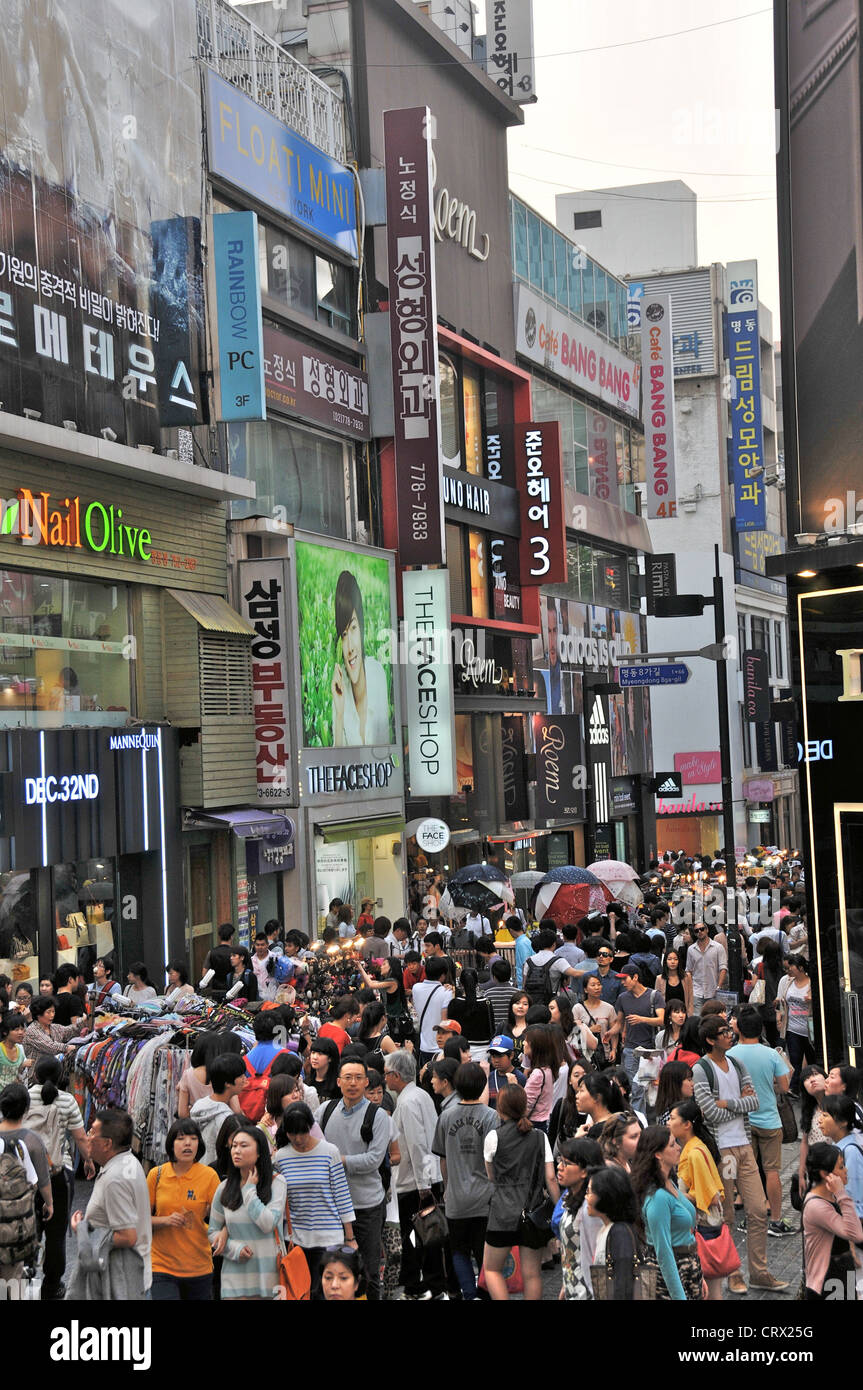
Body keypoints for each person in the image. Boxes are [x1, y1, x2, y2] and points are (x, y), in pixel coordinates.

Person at [692, 1015, 787, 1294]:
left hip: (744, 1147)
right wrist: (739, 1105)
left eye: (728, 1030)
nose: (729, 1034)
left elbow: (754, 1101)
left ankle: (759, 1271)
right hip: (724, 1153)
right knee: (728, 1215)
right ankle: (733, 1273)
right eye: (723, 1032)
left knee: (758, 1210)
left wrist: (729, 1103)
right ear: (710, 1039)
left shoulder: (737, 1063)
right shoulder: (702, 1069)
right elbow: (709, 1112)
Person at [315, 1056, 390, 1302]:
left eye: (359, 1078)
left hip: (366, 1205)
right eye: (348, 1077)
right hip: (332, 1208)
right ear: (338, 1081)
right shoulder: (324, 1112)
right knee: (333, 1273)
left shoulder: (378, 1116)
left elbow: (374, 1161)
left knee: (367, 1272)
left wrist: (337, 1160)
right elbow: (313, 1149)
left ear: (367, 1082)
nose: (353, 1083)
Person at [481, 1081, 559, 1300]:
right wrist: (560, 1209)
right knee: (532, 1274)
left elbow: (491, 1176)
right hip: (532, 1214)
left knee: (492, 1269)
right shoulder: (539, 1137)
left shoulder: (493, 1137)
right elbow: (551, 1178)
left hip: (502, 1214)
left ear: (500, 1108)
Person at [25, 1057, 92, 1300]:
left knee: (28, 1228)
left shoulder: (24, 1097)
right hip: (58, 1173)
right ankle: (52, 1287)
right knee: (56, 1233)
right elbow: (81, 1138)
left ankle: (24, 1277)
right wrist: (88, 1161)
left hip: (27, 1174)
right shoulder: (67, 1100)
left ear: (35, 1076)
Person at [273, 1102, 356, 1295]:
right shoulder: (281, 1158)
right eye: (293, 1133)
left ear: (310, 1127)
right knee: (299, 1291)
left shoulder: (329, 1152)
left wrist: (349, 1237)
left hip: (328, 1237)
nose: (298, 1138)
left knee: (325, 1292)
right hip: (295, 1238)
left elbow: (341, 1194)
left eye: (302, 1132)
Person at [432, 1061, 498, 1301]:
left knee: (458, 1249)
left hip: (456, 1197)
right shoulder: (491, 1117)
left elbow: (442, 1159)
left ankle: (468, 1294)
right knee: (484, 1252)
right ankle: (485, 1293)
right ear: (482, 1085)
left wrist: (448, 1187)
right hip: (485, 1197)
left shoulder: (446, 1117)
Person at [383, 1048, 446, 1300]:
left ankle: (418, 1286)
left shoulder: (408, 1103)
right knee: (427, 1234)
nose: (385, 1079)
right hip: (425, 1177)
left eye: (387, 1074)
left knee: (417, 1236)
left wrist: (422, 1183)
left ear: (396, 1075)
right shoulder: (420, 1095)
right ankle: (431, 1284)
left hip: (414, 1181)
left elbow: (418, 1144)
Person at [69, 1109, 152, 1299]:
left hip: (120, 1284)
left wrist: (83, 1230)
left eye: (92, 1132)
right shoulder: (129, 1162)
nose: (87, 1138)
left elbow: (128, 1236)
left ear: (107, 1144)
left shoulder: (115, 1179)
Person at [728, 1005, 793, 1236]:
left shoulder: (730, 1055)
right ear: (761, 1029)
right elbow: (784, 1087)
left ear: (740, 1030)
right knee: (772, 1171)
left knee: (747, 1172)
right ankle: (775, 1220)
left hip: (742, 1122)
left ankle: (751, 1219)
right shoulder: (771, 1054)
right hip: (769, 1120)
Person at [208, 1124, 287, 1300]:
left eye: (244, 1146)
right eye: (234, 1145)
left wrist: (249, 1190)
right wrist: (234, 1249)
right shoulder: (224, 1188)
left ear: (259, 1152)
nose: (237, 1150)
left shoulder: (277, 1183)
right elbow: (212, 1232)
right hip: (234, 1278)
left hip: (270, 1278)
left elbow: (267, 1224)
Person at [146, 1119, 220, 1301]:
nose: (187, 1143)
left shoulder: (209, 1176)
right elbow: (140, 1219)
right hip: (161, 1265)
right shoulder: (157, 1175)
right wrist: (165, 1220)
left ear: (199, 1144)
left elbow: (223, 1216)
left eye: (193, 1138)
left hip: (199, 1266)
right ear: (171, 1144)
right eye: (180, 1138)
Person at [630, 1125, 702, 1300]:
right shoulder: (658, 1197)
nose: (678, 1147)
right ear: (658, 1154)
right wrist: (679, 1297)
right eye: (672, 1145)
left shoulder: (669, 1183)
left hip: (687, 1266)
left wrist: (698, 1275)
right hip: (671, 1273)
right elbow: (664, 1253)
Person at [669, 1099, 727, 1300]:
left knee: (710, 1290)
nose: (668, 1122)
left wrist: (676, 1195)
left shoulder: (694, 1153)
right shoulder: (692, 1148)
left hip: (704, 1227)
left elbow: (710, 1196)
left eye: (673, 1118)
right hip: (705, 1225)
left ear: (687, 1124)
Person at [0, 1082, 53, 1282]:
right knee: (13, 1278)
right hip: (16, 1224)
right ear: (26, 1109)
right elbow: (40, 1179)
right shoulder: (30, 1140)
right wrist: (50, 1204)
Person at [331, 569, 390, 747]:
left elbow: (384, 749)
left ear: (363, 629)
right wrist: (340, 714)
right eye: (343, 634)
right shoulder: (340, 690)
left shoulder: (377, 674)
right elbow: (335, 765)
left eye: (354, 628)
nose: (349, 647)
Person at [801, 1141, 863, 1300]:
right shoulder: (817, 1206)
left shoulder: (831, 1196)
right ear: (825, 1174)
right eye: (841, 1167)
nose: (846, 1170)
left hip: (841, 1275)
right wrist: (842, 1194)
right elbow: (856, 1234)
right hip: (827, 1284)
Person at [820, 1093, 863, 1290]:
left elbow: (854, 1200)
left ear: (843, 1122)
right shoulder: (839, 1148)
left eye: (826, 1115)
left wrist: (851, 1245)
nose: (820, 1119)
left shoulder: (850, 1152)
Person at [554, 1136, 603, 1300]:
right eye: (560, 1161)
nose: (560, 1167)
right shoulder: (570, 1199)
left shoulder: (589, 1209)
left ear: (584, 1171)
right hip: (572, 1289)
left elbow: (596, 1259)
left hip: (587, 1293)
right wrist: (565, 1287)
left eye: (566, 1163)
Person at [584, 1165, 640, 1299]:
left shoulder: (619, 1233)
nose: (586, 1197)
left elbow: (623, 1284)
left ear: (605, 1196)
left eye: (589, 1192)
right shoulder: (608, 1229)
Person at [616, 963, 664, 1111]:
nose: (622, 983)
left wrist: (642, 1019)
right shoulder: (622, 998)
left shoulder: (654, 995)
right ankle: (639, 1120)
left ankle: (648, 1118)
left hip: (649, 1050)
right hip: (630, 1049)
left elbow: (662, 1019)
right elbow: (619, 1023)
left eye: (625, 979)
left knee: (649, 1086)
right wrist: (611, 1033)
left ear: (635, 977)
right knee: (636, 1088)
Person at [190, 1055, 248, 1165]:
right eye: (241, 1076)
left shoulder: (199, 1105)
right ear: (228, 1083)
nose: (244, 1080)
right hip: (216, 1173)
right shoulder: (226, 1118)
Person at [177, 1032, 244, 1119]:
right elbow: (236, 1110)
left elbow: (182, 1114)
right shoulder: (224, 1072)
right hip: (220, 1124)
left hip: (196, 1126)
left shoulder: (188, 1074)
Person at [444, 968, 495, 1059]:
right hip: (483, 1051)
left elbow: (451, 1028)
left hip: (459, 1050)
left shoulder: (454, 1004)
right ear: (476, 982)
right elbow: (491, 1029)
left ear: (461, 983)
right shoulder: (486, 1003)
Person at [412, 956, 454, 1065]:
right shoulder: (447, 992)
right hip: (440, 1048)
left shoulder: (416, 988)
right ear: (443, 975)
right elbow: (445, 1022)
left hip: (423, 1046)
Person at [784, 954, 815, 1095]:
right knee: (795, 1060)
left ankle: (813, 1087)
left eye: (792, 966)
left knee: (812, 1060)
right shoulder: (788, 982)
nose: (789, 969)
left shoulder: (812, 983)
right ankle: (794, 1088)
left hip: (808, 1029)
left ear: (801, 968)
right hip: (792, 1028)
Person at [573, 972, 619, 1067]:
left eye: (599, 984)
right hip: (584, 1055)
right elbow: (572, 1034)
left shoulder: (609, 1008)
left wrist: (614, 1050)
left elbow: (614, 1032)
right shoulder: (578, 1008)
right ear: (585, 990)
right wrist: (589, 1030)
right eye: (593, 985)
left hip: (604, 1054)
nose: (597, 987)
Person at [22, 996, 84, 1064]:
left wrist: (83, 1022)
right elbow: (50, 1047)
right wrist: (67, 1047)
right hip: (37, 1072)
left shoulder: (55, 1027)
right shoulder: (31, 1031)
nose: (52, 1015)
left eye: (53, 1011)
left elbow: (71, 1031)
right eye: (48, 1012)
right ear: (38, 1014)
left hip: (56, 1071)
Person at [521, 1025, 558, 1133]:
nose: (523, 1043)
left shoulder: (538, 1074)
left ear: (535, 1045)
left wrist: (514, 1086)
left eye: (526, 1040)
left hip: (534, 1124)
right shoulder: (548, 1069)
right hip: (542, 1122)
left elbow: (526, 1105)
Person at [549, 1059, 590, 1151]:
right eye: (576, 1075)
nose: (581, 1079)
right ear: (569, 1081)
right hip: (564, 1160)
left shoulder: (597, 1106)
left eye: (585, 1075)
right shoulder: (562, 1104)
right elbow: (552, 1136)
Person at [685, 924, 727, 1014]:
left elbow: (723, 968)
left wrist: (719, 987)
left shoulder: (718, 947)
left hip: (713, 990)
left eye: (702, 929)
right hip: (696, 991)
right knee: (697, 1020)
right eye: (696, 930)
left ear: (707, 930)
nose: (700, 932)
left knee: (713, 1020)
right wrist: (689, 988)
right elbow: (689, 970)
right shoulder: (691, 949)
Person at [575, 1072, 625, 1139]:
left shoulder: (598, 1131)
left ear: (596, 1097)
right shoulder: (620, 1120)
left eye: (581, 1091)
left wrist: (577, 1139)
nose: (577, 1096)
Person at [479, 958, 519, 1033]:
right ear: (509, 974)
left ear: (494, 977)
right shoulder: (518, 993)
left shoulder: (487, 994)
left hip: (494, 1032)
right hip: (514, 1032)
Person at [487, 1034, 526, 1106]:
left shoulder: (520, 1078)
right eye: (493, 1056)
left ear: (511, 1055)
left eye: (500, 1056)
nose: (496, 1060)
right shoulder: (489, 1077)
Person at [655, 946, 693, 1015]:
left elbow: (690, 999)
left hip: (683, 1015)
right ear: (665, 961)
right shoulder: (659, 979)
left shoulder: (687, 977)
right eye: (669, 959)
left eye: (675, 959)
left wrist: (689, 1015)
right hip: (666, 1017)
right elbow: (658, 1002)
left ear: (679, 961)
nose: (673, 962)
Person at [654, 1059, 694, 1125]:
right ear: (675, 1084)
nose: (692, 1084)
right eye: (689, 1080)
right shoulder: (670, 1118)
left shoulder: (687, 1108)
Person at [304, 1037, 341, 1102]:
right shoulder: (307, 1082)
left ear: (330, 1058)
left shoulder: (338, 1085)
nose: (315, 1057)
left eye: (320, 1054)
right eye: (313, 1052)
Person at [203, 923, 236, 996]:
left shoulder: (211, 952)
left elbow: (204, 974)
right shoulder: (235, 953)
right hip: (232, 990)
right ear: (231, 937)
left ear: (219, 937)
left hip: (215, 989)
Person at [0, 1013, 29, 1088]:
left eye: (22, 1029)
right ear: (5, 1032)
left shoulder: (20, 1049)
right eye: (16, 1030)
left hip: (15, 1095)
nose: (20, 1033)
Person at [506, 990, 531, 1066]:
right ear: (511, 1006)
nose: (521, 1006)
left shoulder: (532, 1029)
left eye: (525, 1004)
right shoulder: (503, 1026)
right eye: (517, 1003)